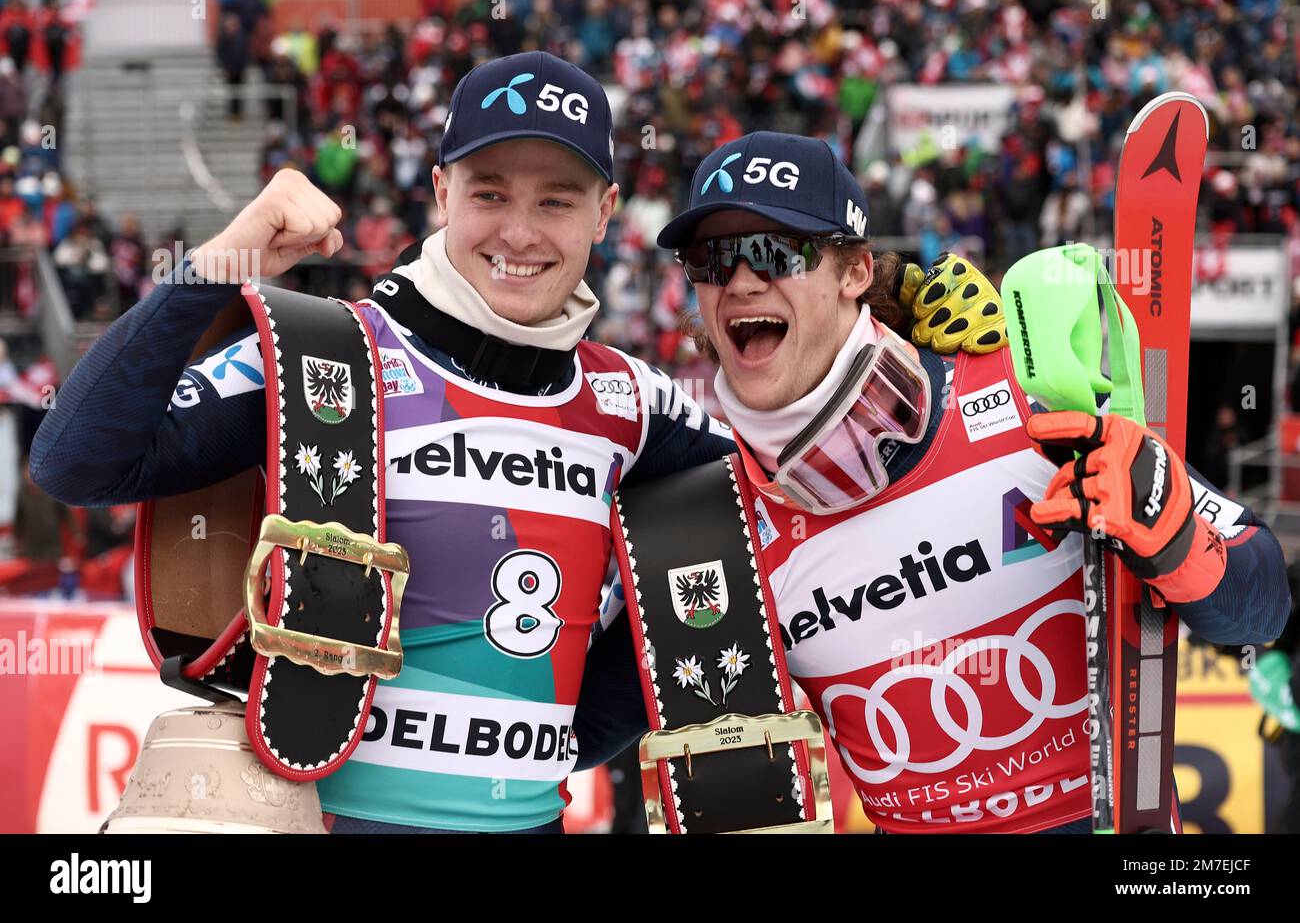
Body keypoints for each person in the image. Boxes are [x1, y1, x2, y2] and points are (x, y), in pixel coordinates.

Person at [28, 52, 740, 834]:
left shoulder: (631, 401)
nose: (518, 231)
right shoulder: (327, 356)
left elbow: (755, 519)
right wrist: (220, 264)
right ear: (441, 193)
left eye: (556, 202)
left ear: (605, 213)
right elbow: (76, 460)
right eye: (489, 193)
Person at [581, 131, 1291, 833]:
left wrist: (1173, 545)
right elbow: (573, 732)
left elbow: (1262, 610)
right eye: (711, 260)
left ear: (854, 271)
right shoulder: (711, 525)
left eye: (773, 251)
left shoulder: (1026, 397)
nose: (740, 280)